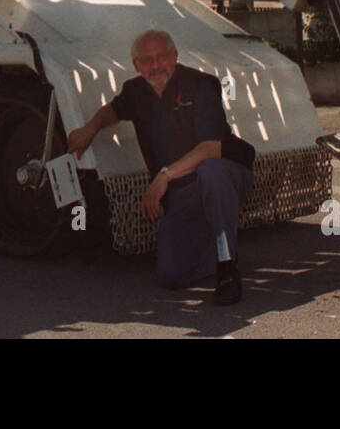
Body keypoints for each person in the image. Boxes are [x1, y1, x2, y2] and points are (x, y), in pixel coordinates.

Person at [67, 29, 254, 304]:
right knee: (171, 275)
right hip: (183, 195)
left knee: (210, 171)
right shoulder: (135, 92)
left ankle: (227, 266)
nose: (155, 66)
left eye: (162, 57)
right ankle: (214, 241)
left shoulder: (201, 85)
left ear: (175, 56)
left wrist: (164, 176)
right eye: (147, 60)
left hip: (225, 176)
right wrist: (90, 128)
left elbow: (211, 148)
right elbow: (113, 111)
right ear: (136, 65)